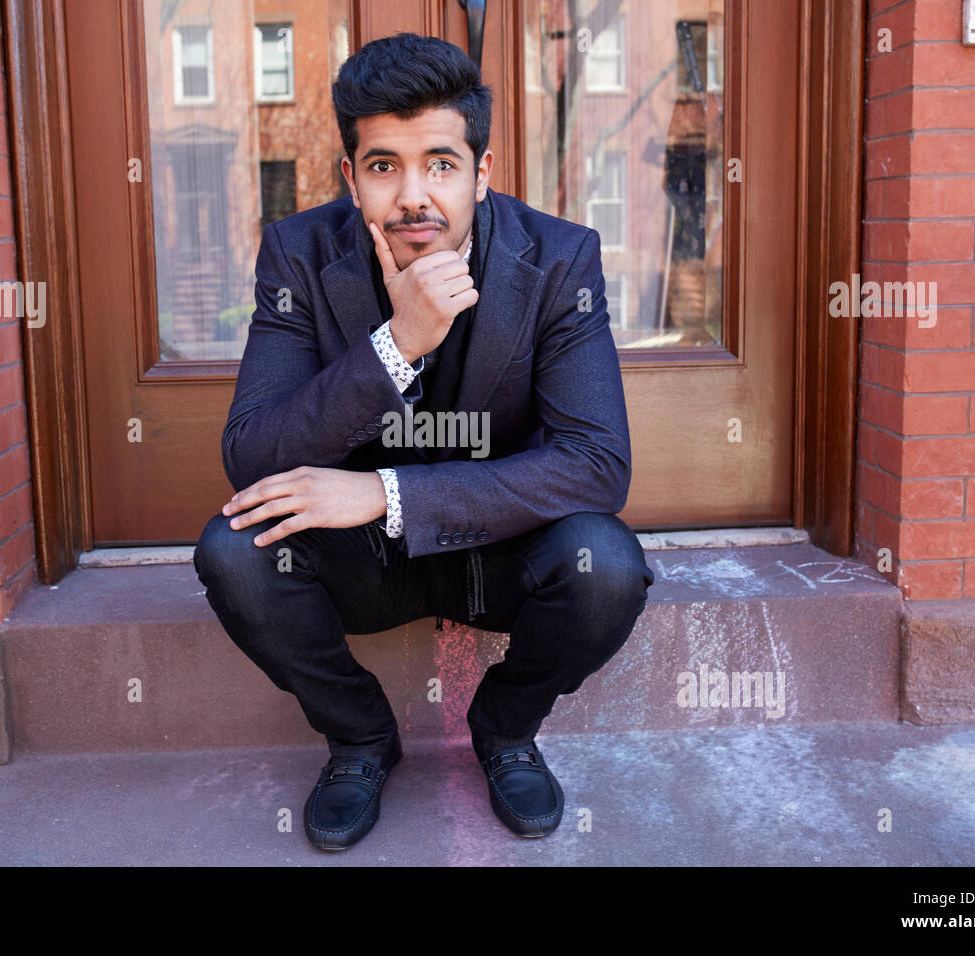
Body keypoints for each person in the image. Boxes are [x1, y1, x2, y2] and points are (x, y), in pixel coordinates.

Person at [192, 32, 655, 851]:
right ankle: (361, 737)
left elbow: (597, 463)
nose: (415, 197)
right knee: (234, 549)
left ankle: (506, 728)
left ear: (483, 171)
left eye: (441, 163)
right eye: (383, 167)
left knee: (606, 565)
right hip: (361, 563)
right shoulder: (298, 256)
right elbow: (252, 454)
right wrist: (395, 346)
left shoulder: (559, 259)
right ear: (350, 176)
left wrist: (386, 493)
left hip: (504, 555)